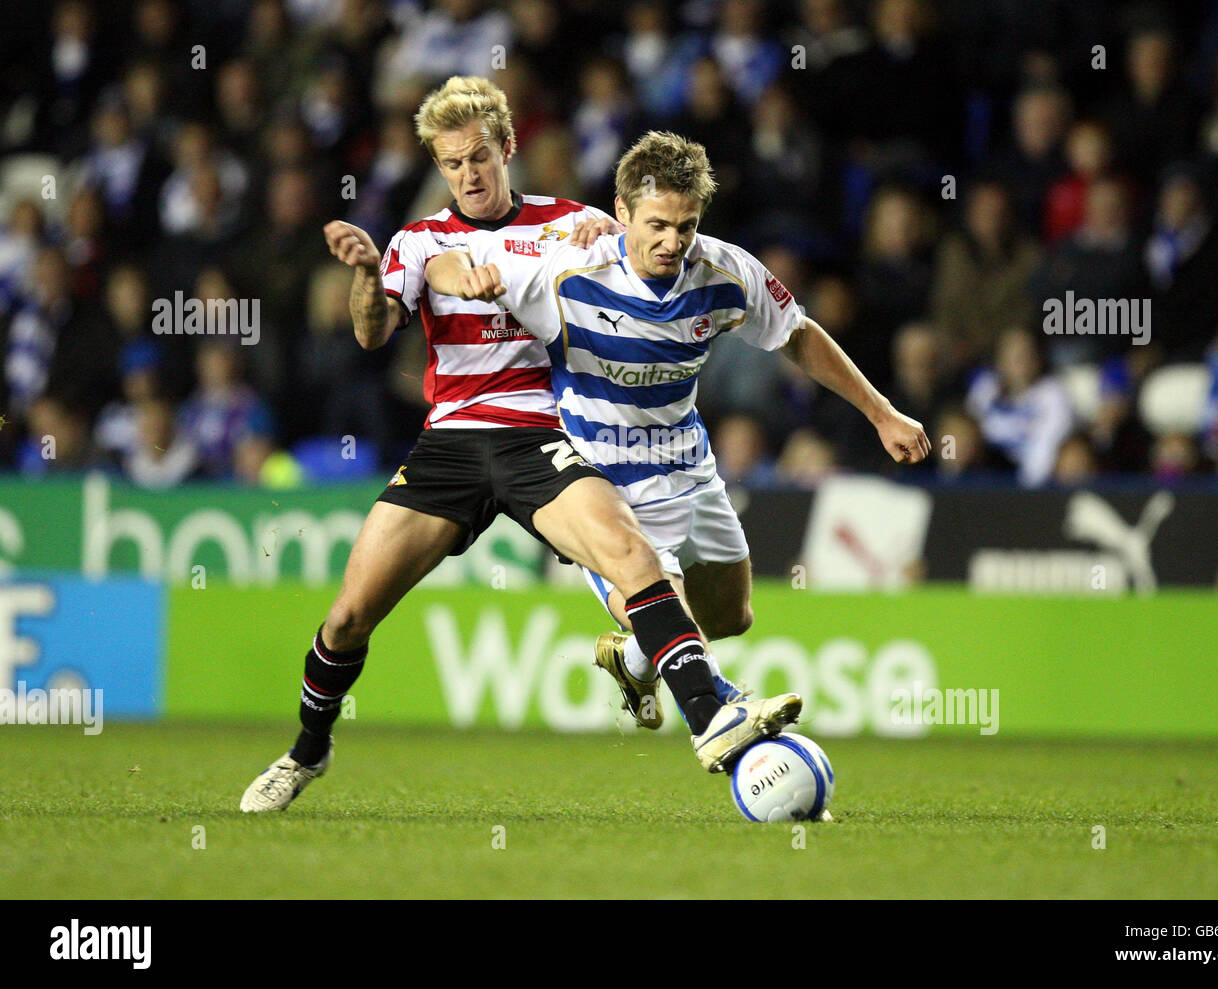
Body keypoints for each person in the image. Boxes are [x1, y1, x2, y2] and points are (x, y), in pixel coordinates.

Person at [240, 83, 800, 813]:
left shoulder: (579, 223)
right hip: (452, 442)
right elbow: (372, 332)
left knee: (634, 558)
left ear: (507, 148)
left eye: (478, 156)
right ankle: (307, 751)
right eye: (451, 163)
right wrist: (364, 277)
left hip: (545, 435)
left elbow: (636, 273)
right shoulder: (417, 241)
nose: (468, 174)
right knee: (348, 616)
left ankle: (713, 716)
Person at [424, 130, 930, 733]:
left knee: (732, 615)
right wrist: (458, 278)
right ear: (621, 213)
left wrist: (882, 413)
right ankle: (722, 711)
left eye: (685, 226)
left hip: (688, 466)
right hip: (597, 482)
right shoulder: (564, 268)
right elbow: (448, 256)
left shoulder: (724, 272)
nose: (672, 242)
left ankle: (634, 657)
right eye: (657, 224)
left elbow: (797, 334)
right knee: (664, 603)